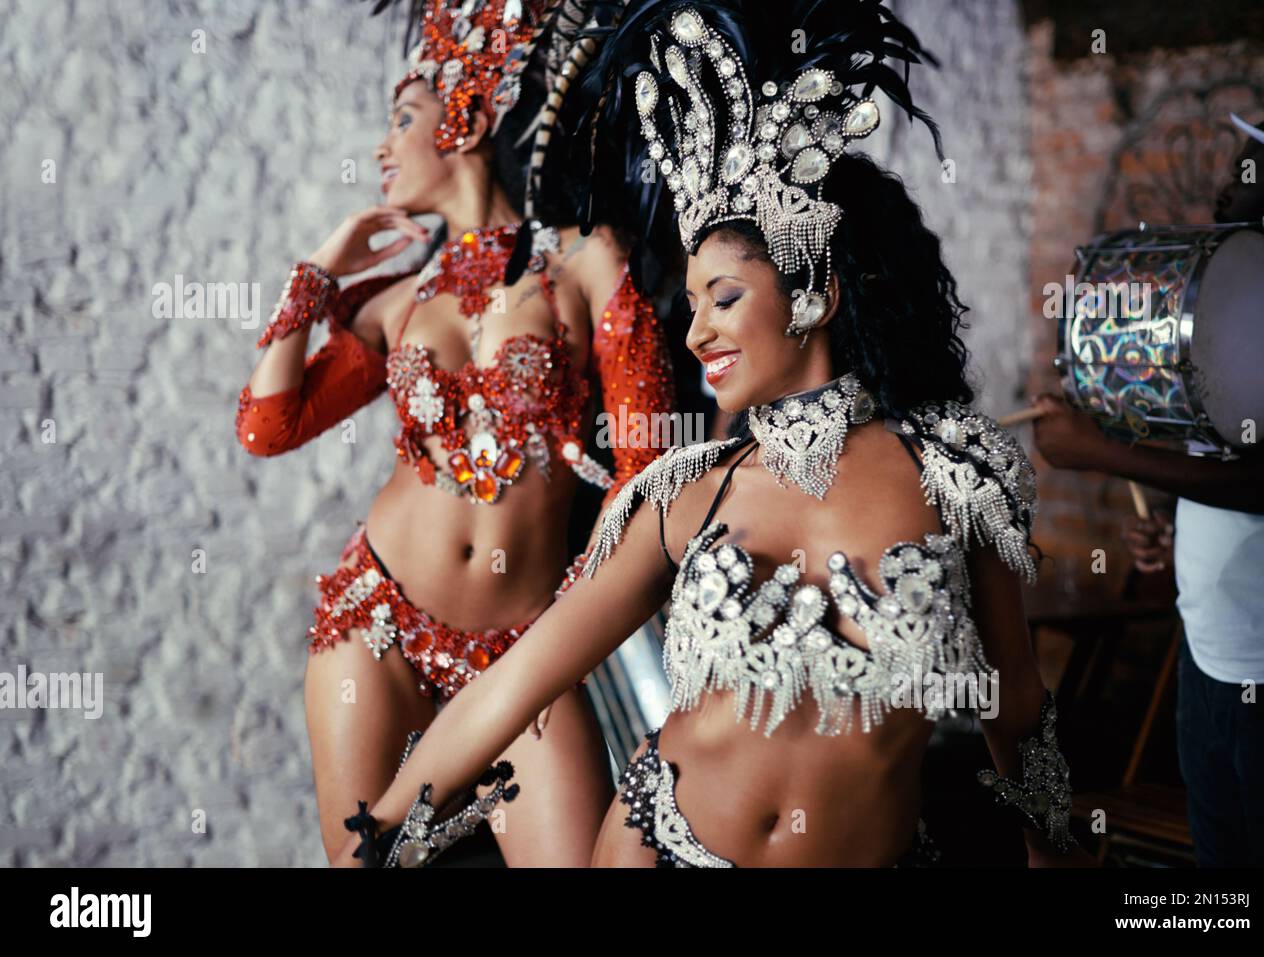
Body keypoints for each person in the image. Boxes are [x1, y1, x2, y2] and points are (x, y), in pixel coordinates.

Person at [333, 0, 1094, 868]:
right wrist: (385, 827)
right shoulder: (688, 491)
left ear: (816, 292)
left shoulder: (955, 474)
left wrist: (1052, 851)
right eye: (692, 303)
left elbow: (1017, 707)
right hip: (653, 850)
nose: (696, 334)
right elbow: (515, 677)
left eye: (724, 298)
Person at [233, 0, 676, 865]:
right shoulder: (398, 302)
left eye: (403, 119)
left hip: (522, 657)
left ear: (467, 118)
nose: (380, 148)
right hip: (379, 619)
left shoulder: (586, 261)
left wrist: (571, 622)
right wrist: (320, 272)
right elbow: (267, 425)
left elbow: (647, 473)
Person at [1032, 83, 1264, 867]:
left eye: (1260, 185)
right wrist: (1177, 527)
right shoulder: (1253, 323)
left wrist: (1098, 449)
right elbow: (1235, 465)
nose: (1229, 198)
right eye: (1234, 177)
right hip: (1209, 661)